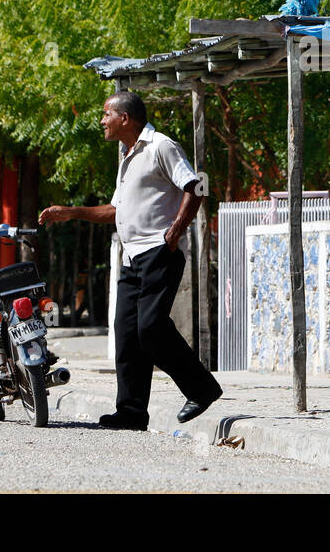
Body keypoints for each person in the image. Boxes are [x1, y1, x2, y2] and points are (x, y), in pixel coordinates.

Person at [39, 91, 221, 431]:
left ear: (124, 117)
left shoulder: (160, 146)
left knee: (150, 328)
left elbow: (196, 187)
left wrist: (175, 231)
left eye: (106, 114)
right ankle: (131, 412)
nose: (102, 121)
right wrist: (71, 212)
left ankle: (201, 388)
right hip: (131, 257)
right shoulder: (126, 155)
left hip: (159, 252)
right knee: (126, 333)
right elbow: (116, 210)